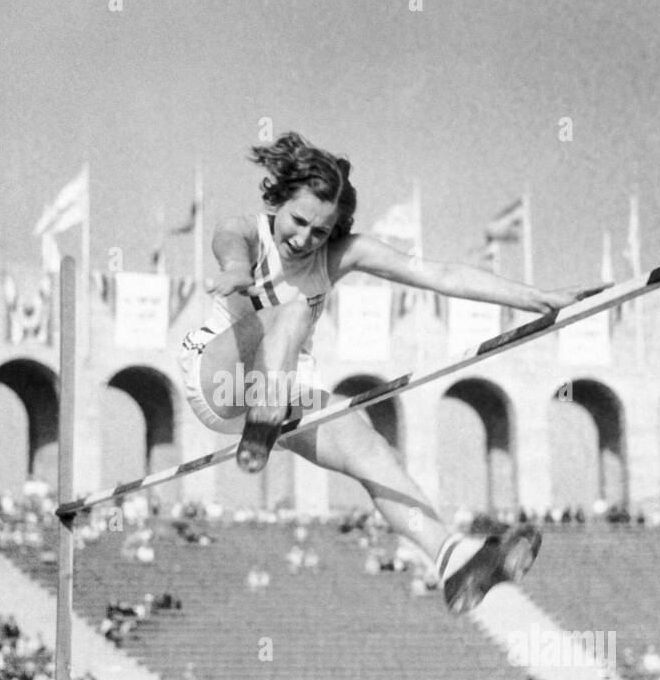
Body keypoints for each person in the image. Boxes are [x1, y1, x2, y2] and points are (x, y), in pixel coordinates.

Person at [179, 132, 604, 614]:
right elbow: (229, 239)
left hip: (279, 395)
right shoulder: (250, 230)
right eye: (298, 221)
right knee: (294, 311)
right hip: (221, 379)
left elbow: (441, 276)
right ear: (278, 200)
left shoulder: (340, 255)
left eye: (320, 232)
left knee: (369, 448)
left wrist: (536, 299)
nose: (303, 239)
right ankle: (266, 413)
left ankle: (452, 559)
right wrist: (236, 269)